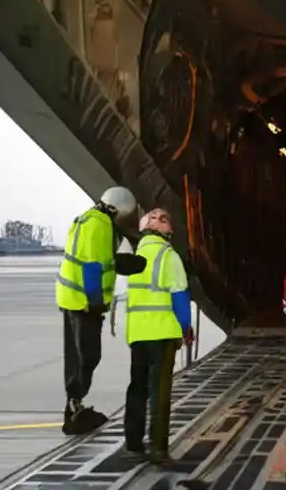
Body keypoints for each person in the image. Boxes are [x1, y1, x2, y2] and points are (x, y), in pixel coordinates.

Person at [57, 186, 144, 434]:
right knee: (88, 356)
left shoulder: (85, 218)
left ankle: (74, 406)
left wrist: (119, 264)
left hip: (71, 298)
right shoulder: (101, 225)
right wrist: (95, 302)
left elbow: (99, 260)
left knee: (76, 357)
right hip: (84, 301)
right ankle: (75, 408)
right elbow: (94, 266)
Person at [123, 208, 194, 463]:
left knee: (137, 388)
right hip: (162, 333)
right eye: (159, 218)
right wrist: (186, 328)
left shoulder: (137, 254)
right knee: (160, 393)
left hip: (138, 333)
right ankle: (158, 448)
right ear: (169, 232)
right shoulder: (169, 256)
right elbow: (180, 297)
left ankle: (132, 444)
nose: (159, 220)